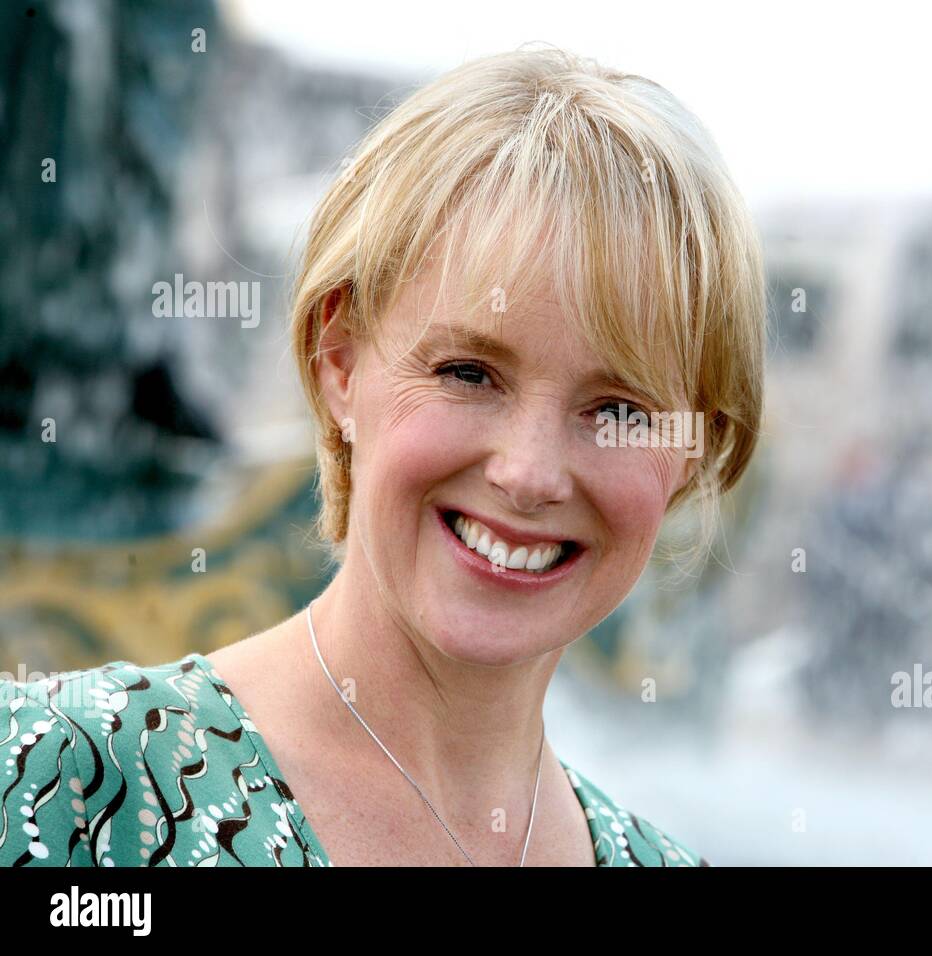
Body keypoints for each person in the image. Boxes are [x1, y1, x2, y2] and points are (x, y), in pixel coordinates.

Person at [0, 44, 766, 867]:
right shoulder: (60, 785)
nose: (530, 473)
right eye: (468, 373)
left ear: (698, 449)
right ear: (340, 362)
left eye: (617, 410)